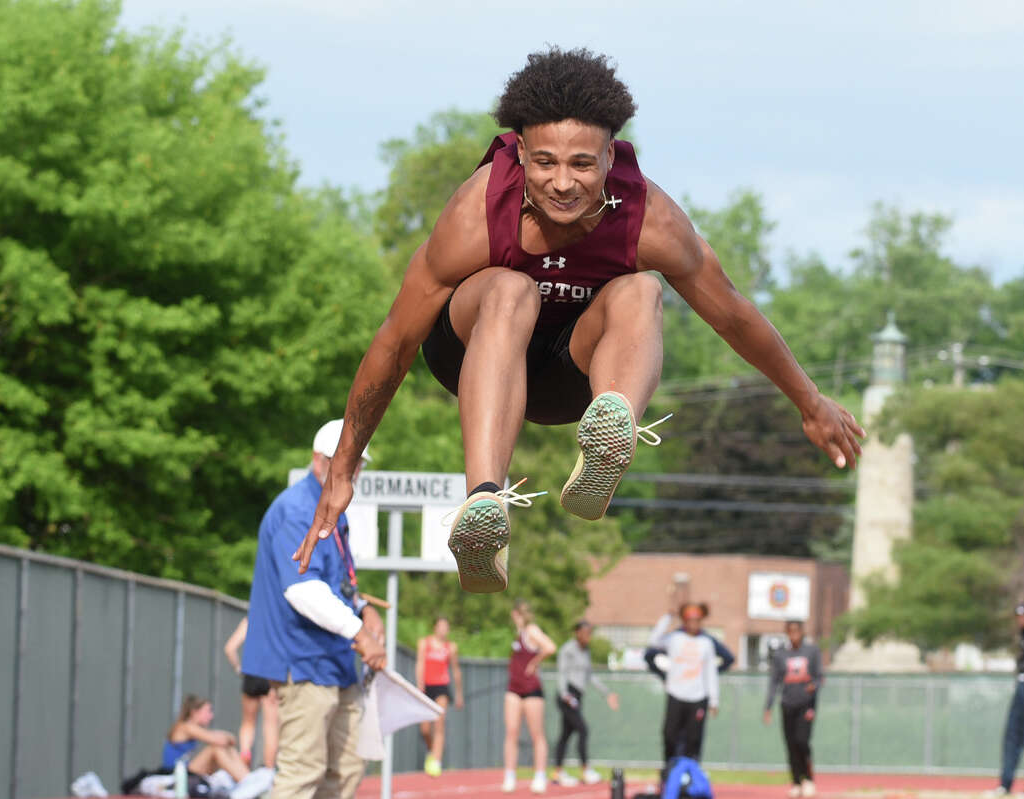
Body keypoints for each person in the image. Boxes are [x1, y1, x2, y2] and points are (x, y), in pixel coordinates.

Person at [293, 47, 865, 594]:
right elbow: (395, 343)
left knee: (641, 288)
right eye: (544, 162)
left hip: (572, 372)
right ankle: (484, 502)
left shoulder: (650, 220)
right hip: (474, 351)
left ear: (612, 158)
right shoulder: (477, 212)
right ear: (519, 152)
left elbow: (734, 316)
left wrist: (810, 402)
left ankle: (612, 424)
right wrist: (343, 466)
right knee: (512, 290)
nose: (562, 183)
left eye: (581, 164)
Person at [243, 419, 386, 799]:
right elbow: (303, 590)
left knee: (348, 765)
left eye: (357, 464)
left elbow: (336, 582)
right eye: (347, 461)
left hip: (333, 663)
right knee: (302, 772)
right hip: (303, 661)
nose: (354, 471)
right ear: (319, 460)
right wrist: (359, 632)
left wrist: (364, 607)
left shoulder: (330, 510)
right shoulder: (297, 509)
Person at [648, 603, 719, 767]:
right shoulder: (675, 639)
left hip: (698, 697)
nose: (694, 624)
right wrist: (668, 618)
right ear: (685, 622)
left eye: (697, 620)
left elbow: (710, 672)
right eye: (690, 620)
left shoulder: (706, 643)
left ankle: (690, 773)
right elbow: (653, 641)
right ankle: (669, 769)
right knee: (669, 735)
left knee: (694, 739)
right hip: (676, 694)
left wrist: (714, 700)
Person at [553, 621, 620, 786]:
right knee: (583, 729)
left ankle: (558, 771)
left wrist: (607, 693)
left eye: (590, 633)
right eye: (585, 633)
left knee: (565, 735)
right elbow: (562, 673)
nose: (588, 637)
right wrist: (565, 694)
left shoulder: (586, 651)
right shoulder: (568, 649)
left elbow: (590, 675)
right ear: (577, 633)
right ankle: (585, 769)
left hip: (578, 695)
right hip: (568, 695)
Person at [989, 602, 1024, 796]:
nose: (1021, 619)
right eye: (1018, 616)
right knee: (1012, 734)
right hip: (1023, 684)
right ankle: (1005, 784)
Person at [763, 620, 822, 798]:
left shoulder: (812, 651)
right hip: (787, 704)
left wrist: (814, 685)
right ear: (787, 633)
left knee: (802, 741)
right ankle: (796, 781)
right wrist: (768, 706)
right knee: (790, 745)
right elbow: (774, 682)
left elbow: (819, 676)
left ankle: (808, 778)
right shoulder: (781, 655)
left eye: (797, 631)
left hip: (806, 704)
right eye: (790, 632)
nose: (794, 635)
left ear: (802, 632)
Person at [503, 600, 557, 794]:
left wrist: (535, 662)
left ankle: (540, 775)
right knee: (511, 732)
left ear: (518, 614)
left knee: (537, 734)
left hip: (532, 689)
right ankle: (509, 775)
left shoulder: (531, 630)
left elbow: (550, 647)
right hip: (513, 689)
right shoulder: (516, 635)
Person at [223, 617, 279, 769]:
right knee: (271, 726)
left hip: (251, 673)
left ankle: (245, 755)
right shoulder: (275, 618)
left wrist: (238, 668)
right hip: (271, 675)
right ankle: (269, 768)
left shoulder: (250, 620)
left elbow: (230, 648)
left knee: (248, 723)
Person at [161, 694, 250, 783]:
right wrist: (228, 738)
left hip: (187, 771)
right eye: (208, 711)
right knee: (215, 748)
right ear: (194, 712)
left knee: (228, 748)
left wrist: (228, 738)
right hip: (175, 774)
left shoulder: (193, 728)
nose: (211, 716)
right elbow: (221, 740)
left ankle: (248, 778)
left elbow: (230, 740)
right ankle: (247, 781)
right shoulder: (186, 727)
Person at [416, 616, 464, 777]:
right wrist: (419, 685)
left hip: (442, 687)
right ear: (435, 627)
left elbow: (456, 670)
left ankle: (436, 760)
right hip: (426, 687)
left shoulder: (451, 647)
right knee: (424, 728)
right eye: (441, 626)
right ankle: (431, 751)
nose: (444, 630)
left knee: (439, 723)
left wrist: (458, 694)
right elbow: (420, 663)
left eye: (446, 627)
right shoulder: (425, 643)